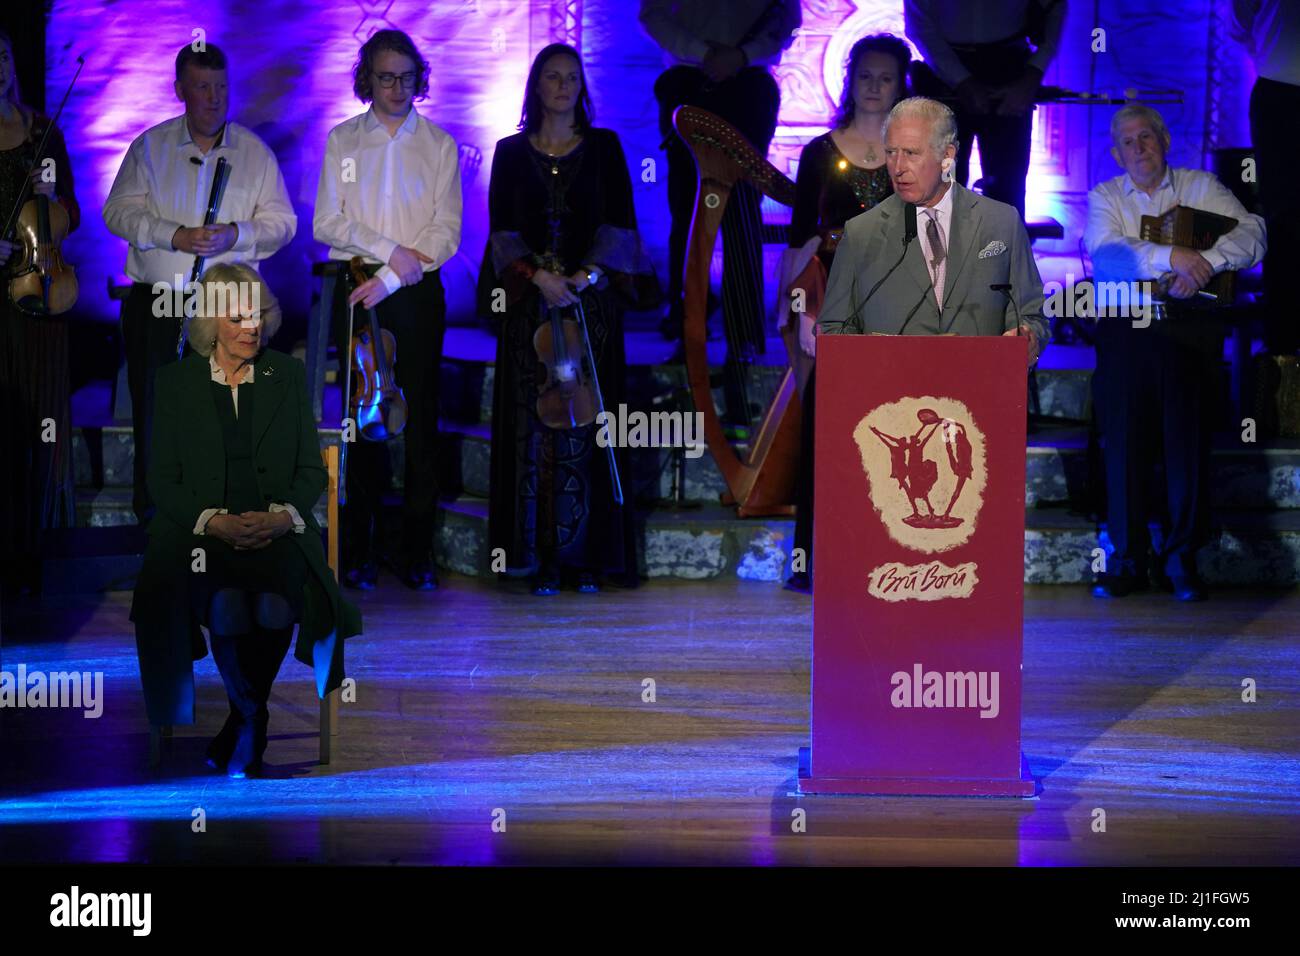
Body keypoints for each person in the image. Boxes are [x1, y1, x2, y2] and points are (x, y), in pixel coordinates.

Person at [129, 263, 361, 777]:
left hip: (275, 529)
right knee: (230, 607)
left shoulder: (286, 375)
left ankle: (242, 723)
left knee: (277, 609)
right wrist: (213, 521)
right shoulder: (174, 383)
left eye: (257, 316)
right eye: (238, 319)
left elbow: (308, 471)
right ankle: (253, 721)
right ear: (212, 323)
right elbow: (162, 481)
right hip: (202, 535)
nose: (252, 328)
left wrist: (282, 518)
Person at [479, 43, 659, 596]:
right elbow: (502, 232)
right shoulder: (509, 153)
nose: (563, 85)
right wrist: (539, 278)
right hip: (530, 310)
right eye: (552, 77)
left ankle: (586, 556)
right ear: (535, 86)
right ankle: (534, 556)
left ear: (583, 88)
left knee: (586, 428)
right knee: (533, 431)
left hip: (591, 307)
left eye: (572, 78)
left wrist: (583, 278)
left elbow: (621, 225)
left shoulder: (605, 148)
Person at [104, 42, 296, 526]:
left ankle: (222, 517)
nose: (214, 98)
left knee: (225, 411)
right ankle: (157, 517)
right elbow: (118, 212)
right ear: (180, 91)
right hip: (160, 299)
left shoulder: (253, 153)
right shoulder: (149, 147)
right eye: (203, 87)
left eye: (222, 87)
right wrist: (174, 235)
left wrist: (237, 234)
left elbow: (283, 223)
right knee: (157, 407)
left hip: (227, 306)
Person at [1084, 104, 1265, 601]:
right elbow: (1106, 253)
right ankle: (1127, 558)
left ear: (1164, 141)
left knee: (1186, 444)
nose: (1139, 147)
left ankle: (1182, 558)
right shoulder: (1105, 196)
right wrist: (1170, 257)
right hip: (1127, 326)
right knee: (1122, 442)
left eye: (1146, 137)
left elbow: (1254, 234)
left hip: (1188, 330)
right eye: (1128, 141)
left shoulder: (1200, 186)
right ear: (1117, 153)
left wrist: (1202, 264)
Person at [314, 28, 462, 591]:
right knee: (363, 417)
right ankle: (358, 548)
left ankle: (416, 550)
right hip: (358, 289)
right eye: (385, 76)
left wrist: (396, 276)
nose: (397, 87)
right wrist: (388, 258)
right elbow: (328, 222)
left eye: (406, 76)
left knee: (421, 417)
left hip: (417, 293)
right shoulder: (344, 142)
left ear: (418, 77)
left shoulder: (439, 145)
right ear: (367, 78)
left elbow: (444, 231)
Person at [779, 33, 907, 593]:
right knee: (829, 435)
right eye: (866, 75)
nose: (874, 86)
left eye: (886, 77)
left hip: (900, 309)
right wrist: (806, 313)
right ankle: (814, 560)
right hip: (832, 306)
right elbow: (802, 245)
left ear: (901, 85)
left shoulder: (919, 154)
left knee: (893, 438)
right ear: (849, 80)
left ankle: (881, 560)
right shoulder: (817, 153)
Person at [641, 0, 801, 432]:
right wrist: (702, 52)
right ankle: (686, 325)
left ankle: (743, 338)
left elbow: (788, 18)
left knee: (743, 214)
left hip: (749, 84)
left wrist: (741, 56)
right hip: (688, 80)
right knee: (687, 214)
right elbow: (651, 13)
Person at [818, 97, 1046, 351]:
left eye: (911, 153)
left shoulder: (1001, 222)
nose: (898, 167)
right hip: (893, 389)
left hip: (979, 385)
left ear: (947, 156)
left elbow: (1031, 315)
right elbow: (835, 328)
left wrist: (1027, 339)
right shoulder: (861, 233)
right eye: (891, 153)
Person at [0, 30, 79, 593]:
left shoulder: (41, 133)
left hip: (41, 288)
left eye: (2, 55)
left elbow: (68, 211)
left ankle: (31, 552)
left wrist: (49, 200)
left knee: (37, 432)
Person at [904, 0, 1066, 220]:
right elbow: (919, 24)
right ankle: (937, 253)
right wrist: (960, 80)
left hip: (1010, 63)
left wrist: (1034, 72)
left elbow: (1054, 8)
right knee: (939, 186)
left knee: (1007, 186)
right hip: (943, 64)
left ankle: (1003, 252)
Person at [1234, 0, 1300, 354]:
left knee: (1284, 218)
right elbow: (1239, 18)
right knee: (1282, 219)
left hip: (1278, 83)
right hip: (1279, 89)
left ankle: (1282, 343)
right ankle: (1282, 347)